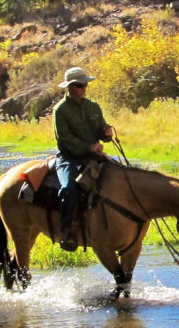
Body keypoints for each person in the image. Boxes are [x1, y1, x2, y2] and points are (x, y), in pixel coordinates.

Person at [51, 66, 115, 252]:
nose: (84, 89)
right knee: (69, 188)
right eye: (79, 85)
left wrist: (106, 134)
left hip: (94, 157)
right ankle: (66, 232)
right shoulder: (60, 110)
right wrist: (89, 147)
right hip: (69, 157)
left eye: (85, 85)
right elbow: (64, 138)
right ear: (69, 87)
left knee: (122, 178)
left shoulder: (93, 107)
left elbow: (101, 131)